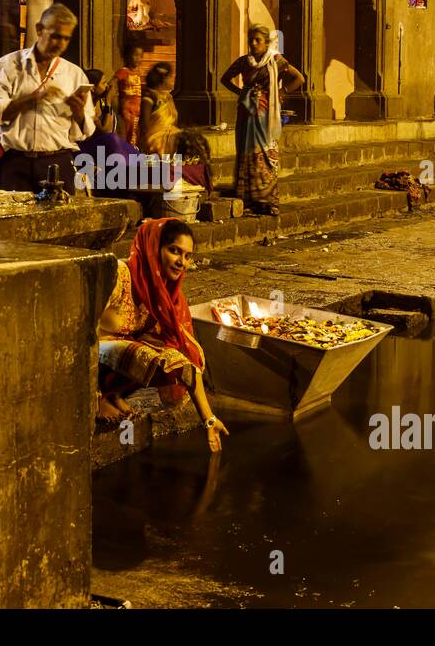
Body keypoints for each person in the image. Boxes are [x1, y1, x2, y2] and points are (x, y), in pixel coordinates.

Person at [97, 218, 228, 452]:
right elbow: (80, 330)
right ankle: (99, 399)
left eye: (188, 256)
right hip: (92, 352)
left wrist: (208, 419)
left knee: (178, 355)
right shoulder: (118, 275)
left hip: (120, 357)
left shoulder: (166, 292)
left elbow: (185, 357)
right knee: (141, 353)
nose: (182, 262)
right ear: (153, 248)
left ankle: (115, 393)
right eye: (174, 251)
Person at [0, 3, 94, 195]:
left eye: (66, 38)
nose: (60, 44)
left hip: (57, 161)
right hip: (15, 162)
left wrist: (79, 114)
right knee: (14, 222)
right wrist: (31, 99)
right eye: (55, 36)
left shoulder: (74, 74)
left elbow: (85, 131)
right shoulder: (9, 65)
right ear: (39, 30)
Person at [219, 24, 305, 216]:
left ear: (267, 43)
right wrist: (241, 93)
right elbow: (224, 79)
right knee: (247, 153)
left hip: (266, 112)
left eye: (258, 40)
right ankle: (248, 199)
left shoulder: (275, 60)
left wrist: (282, 92)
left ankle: (268, 199)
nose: (253, 43)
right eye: (251, 39)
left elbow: (299, 78)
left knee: (265, 154)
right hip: (246, 112)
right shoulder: (244, 62)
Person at [139, 62, 181, 157]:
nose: (173, 80)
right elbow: (144, 125)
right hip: (155, 144)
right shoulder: (150, 97)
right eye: (171, 77)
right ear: (164, 79)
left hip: (171, 140)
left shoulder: (168, 97)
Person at [113, 43, 145, 146]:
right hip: (127, 107)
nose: (138, 58)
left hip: (138, 107)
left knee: (135, 131)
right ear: (128, 56)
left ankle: (133, 152)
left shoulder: (139, 72)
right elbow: (112, 83)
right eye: (135, 55)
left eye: (140, 56)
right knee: (127, 131)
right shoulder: (123, 71)